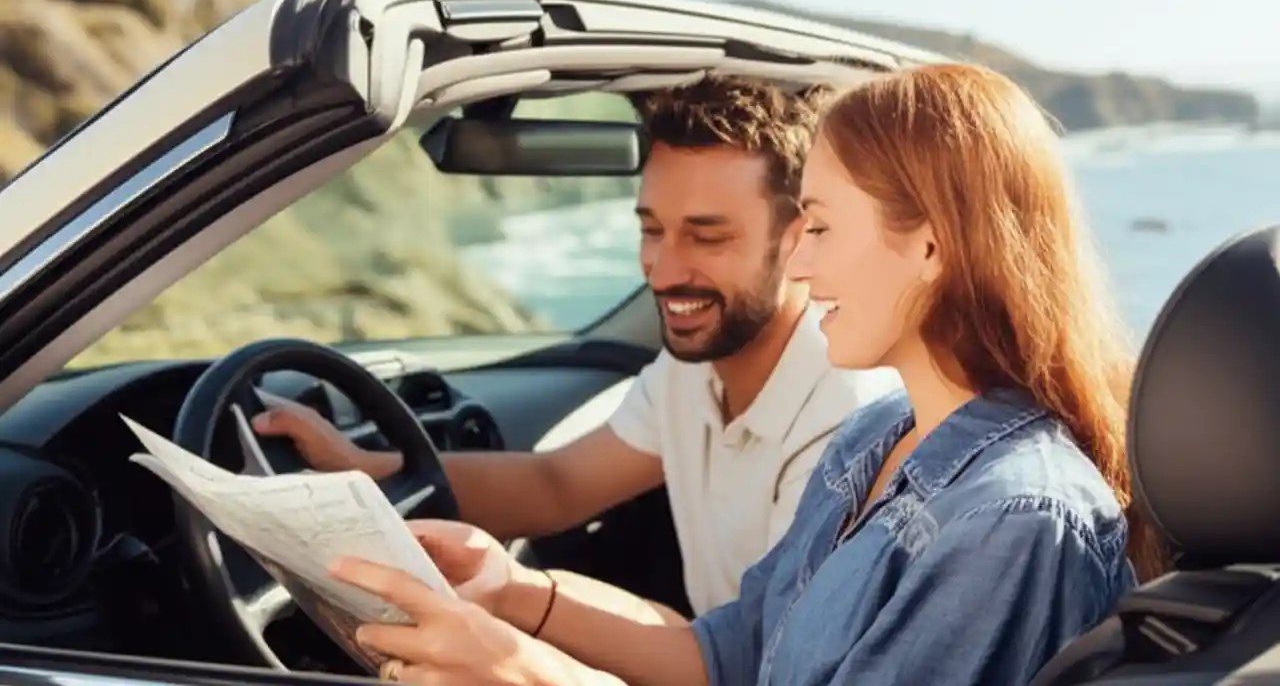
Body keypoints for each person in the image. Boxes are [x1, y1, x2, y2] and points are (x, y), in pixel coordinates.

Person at [324, 62, 1169, 686]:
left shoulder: (1013, 521)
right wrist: (509, 590)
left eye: (822, 228)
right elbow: (728, 652)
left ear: (931, 246)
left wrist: (519, 672)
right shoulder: (878, 436)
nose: (795, 260)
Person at [252, 76, 902, 616]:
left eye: (707, 238)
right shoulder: (693, 372)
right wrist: (360, 467)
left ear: (796, 240)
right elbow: (556, 484)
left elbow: (761, 654)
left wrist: (520, 614)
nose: (664, 268)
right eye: (653, 230)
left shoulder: (846, 417)